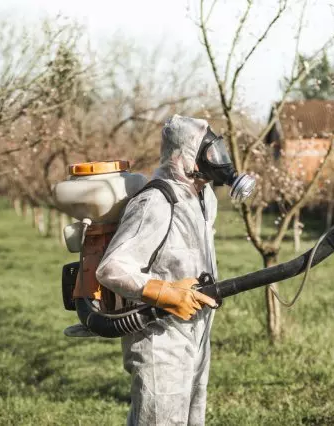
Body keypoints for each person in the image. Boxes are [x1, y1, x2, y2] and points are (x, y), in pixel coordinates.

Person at [96, 115, 235, 425]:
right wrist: (165, 292)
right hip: (160, 339)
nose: (218, 161)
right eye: (208, 153)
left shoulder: (202, 198)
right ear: (184, 156)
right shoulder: (156, 201)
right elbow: (111, 269)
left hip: (195, 330)